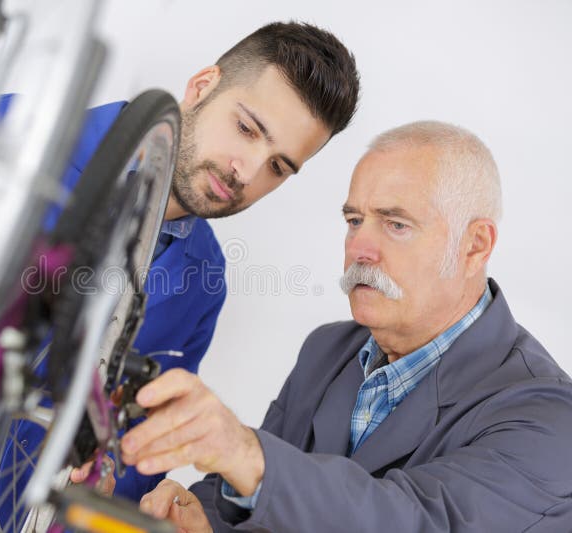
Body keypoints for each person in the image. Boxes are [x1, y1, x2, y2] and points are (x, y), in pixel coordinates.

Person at [0, 20, 360, 517]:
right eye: (247, 128)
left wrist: (105, 489)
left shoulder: (203, 278)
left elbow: (135, 437)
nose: (246, 170)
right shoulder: (12, 135)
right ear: (203, 86)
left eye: (278, 166)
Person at [124, 121, 572, 532]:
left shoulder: (547, 419)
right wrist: (196, 515)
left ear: (475, 245)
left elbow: (411, 520)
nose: (360, 247)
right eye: (355, 220)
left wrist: (245, 454)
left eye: (396, 224)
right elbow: (249, 497)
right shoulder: (328, 350)